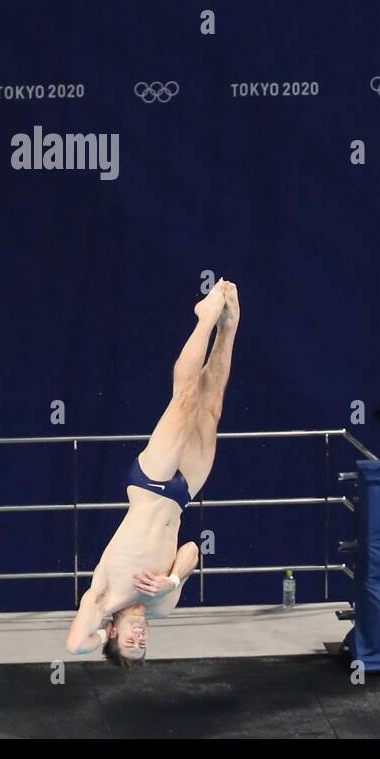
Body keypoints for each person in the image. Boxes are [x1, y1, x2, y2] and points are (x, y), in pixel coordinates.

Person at [64, 279, 239, 665]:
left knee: (185, 397)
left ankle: (205, 319)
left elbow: (75, 645)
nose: (140, 637)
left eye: (130, 643)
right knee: (210, 406)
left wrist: (104, 626)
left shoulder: (104, 596)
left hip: (150, 484)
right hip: (182, 494)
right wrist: (171, 580)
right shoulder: (161, 604)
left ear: (113, 634)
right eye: (143, 645)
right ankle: (228, 326)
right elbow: (192, 549)